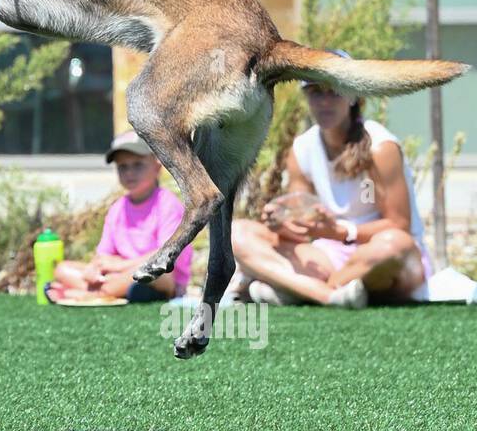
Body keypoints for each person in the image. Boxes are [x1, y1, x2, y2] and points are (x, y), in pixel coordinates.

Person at [230, 50, 432, 308]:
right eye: (316, 92)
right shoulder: (301, 149)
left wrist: (339, 231)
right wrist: (280, 221)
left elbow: (398, 226)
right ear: (306, 98)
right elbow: (301, 219)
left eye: (334, 91)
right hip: (331, 256)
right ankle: (327, 295)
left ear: (353, 96)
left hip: (384, 258)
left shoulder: (381, 147)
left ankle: (296, 288)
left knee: (393, 244)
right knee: (238, 233)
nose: (325, 101)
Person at [48, 131, 192, 303]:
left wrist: (121, 265)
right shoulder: (117, 208)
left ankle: (92, 294)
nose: (129, 172)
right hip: (121, 276)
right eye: (122, 167)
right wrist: (94, 268)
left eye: (138, 165)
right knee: (62, 269)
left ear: (157, 167)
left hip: (162, 278)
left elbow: (165, 256)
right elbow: (103, 256)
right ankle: (112, 292)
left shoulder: (167, 204)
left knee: (152, 273)